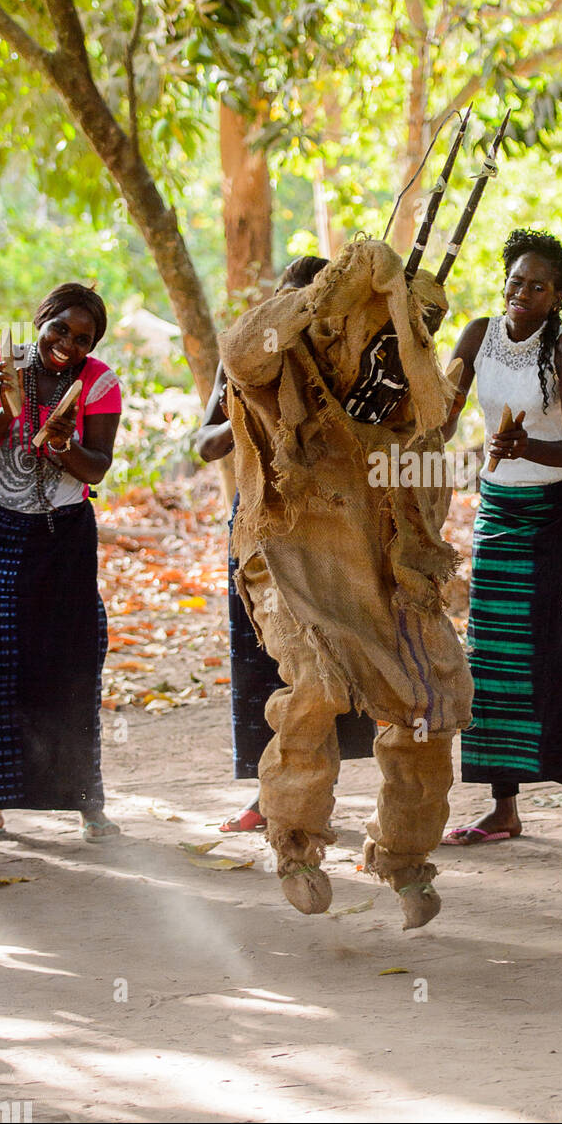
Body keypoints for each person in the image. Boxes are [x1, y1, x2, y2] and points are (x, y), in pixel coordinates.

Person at [220, 237, 473, 928]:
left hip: (378, 572)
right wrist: (319, 296)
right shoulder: (277, 367)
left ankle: (403, 857)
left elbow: (424, 498)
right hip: (285, 562)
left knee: (431, 699)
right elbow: (241, 353)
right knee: (317, 687)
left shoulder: (401, 390)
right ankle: (295, 844)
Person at [441, 229, 562, 854]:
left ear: (558, 297)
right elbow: (443, 418)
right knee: (493, 660)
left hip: (560, 518)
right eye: (515, 281)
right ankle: (503, 809)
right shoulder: (476, 336)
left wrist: (527, 447)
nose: (522, 293)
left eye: (538, 286)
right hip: (498, 511)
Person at [194, 256, 374, 833]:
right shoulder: (242, 364)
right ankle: (269, 794)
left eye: (307, 308)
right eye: (285, 305)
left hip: (327, 533)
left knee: (330, 656)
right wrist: (243, 410)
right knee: (267, 663)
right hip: (260, 532)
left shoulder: (341, 366)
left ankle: (313, 791)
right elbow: (206, 445)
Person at [0, 284, 121, 842]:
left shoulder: (99, 383)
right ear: (41, 318)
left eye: (83, 339)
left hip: (64, 535)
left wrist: (63, 444)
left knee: (72, 660)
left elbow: (95, 469)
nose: (68, 345)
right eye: (61, 329)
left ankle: (86, 802)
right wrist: (8, 412)